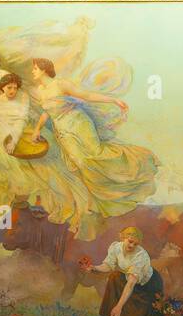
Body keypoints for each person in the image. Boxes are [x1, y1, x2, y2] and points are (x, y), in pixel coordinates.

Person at [28, 57, 158, 224]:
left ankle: (132, 169)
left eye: (35, 68)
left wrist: (113, 100)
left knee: (96, 155)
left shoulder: (61, 84)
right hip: (62, 130)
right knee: (81, 164)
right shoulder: (40, 90)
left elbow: (87, 95)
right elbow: (46, 112)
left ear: (44, 69)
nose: (32, 71)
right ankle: (101, 199)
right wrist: (37, 129)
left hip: (78, 123)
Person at [86, 225, 165, 316]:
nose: (132, 245)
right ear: (123, 238)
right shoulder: (116, 247)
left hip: (147, 283)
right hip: (128, 277)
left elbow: (131, 283)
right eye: (130, 241)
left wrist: (119, 307)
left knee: (130, 296)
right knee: (113, 277)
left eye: (135, 244)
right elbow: (108, 266)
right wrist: (94, 268)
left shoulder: (140, 256)